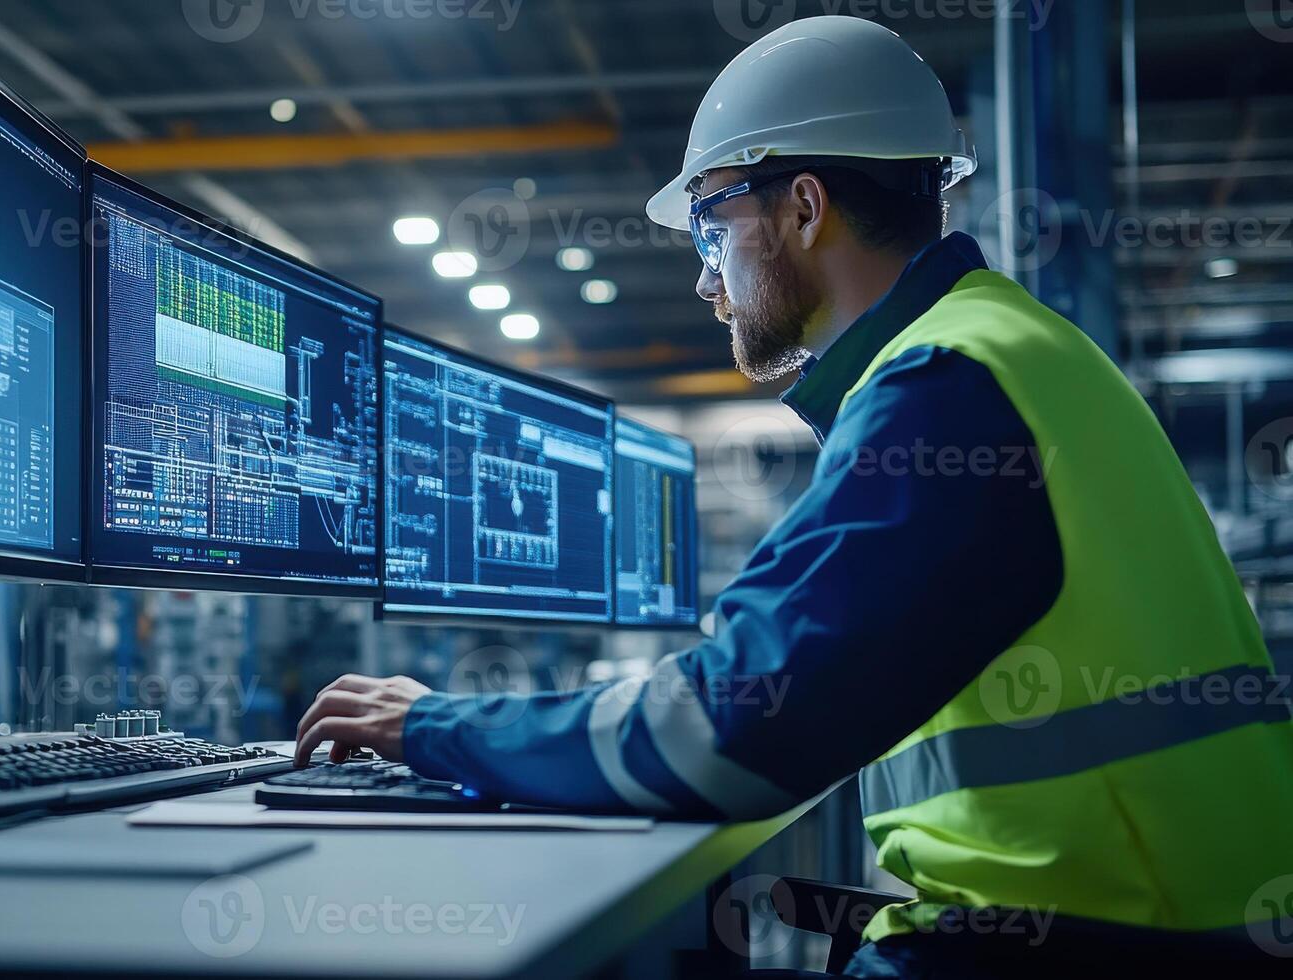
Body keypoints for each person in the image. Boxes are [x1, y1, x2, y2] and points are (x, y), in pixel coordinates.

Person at [293, 17, 1293, 977]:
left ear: (803, 208)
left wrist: (436, 726)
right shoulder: (1009, 347)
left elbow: (725, 731)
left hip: (1103, 943)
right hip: (1147, 925)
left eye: (709, 226)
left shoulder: (950, 383)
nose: (706, 281)